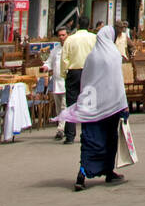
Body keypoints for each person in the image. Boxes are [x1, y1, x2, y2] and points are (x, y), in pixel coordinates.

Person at [56, 26, 129, 191]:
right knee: (109, 140)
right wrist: (123, 106)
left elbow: (86, 82)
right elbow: (118, 83)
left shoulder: (92, 57)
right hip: (110, 106)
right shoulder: (114, 56)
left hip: (92, 106)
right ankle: (109, 172)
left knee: (89, 140)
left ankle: (82, 174)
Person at [60, 16, 98, 146]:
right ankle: (89, 134)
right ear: (88, 26)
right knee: (89, 102)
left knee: (71, 103)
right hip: (89, 71)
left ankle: (70, 135)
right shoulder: (93, 38)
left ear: (77, 25)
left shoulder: (70, 39)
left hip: (74, 71)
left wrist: (64, 73)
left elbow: (64, 59)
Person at [42, 28, 68, 139]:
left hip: (66, 82)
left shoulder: (70, 47)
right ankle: (62, 126)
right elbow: (49, 62)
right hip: (57, 82)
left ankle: (61, 129)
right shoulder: (55, 50)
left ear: (68, 35)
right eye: (59, 35)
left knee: (64, 106)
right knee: (58, 107)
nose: (61, 37)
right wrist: (45, 67)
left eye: (63, 35)